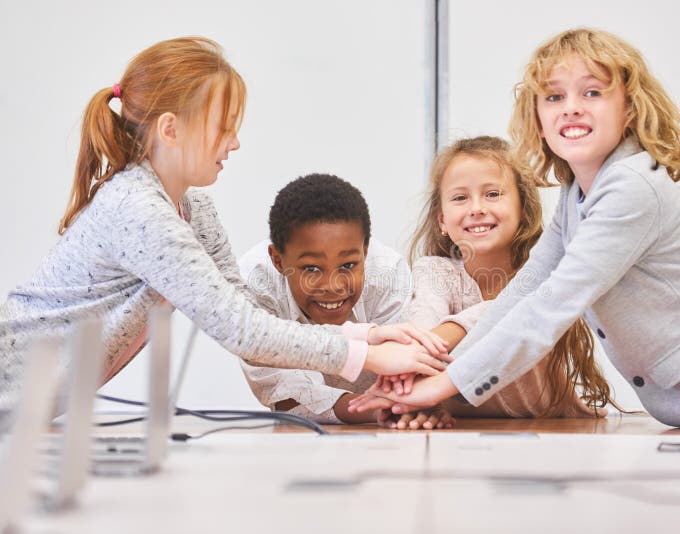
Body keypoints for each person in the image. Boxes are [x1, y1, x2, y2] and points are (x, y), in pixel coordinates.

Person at [350, 28, 680, 429]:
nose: (571, 109)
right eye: (554, 97)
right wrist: (434, 378)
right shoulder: (577, 193)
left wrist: (441, 385)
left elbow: (553, 304)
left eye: (592, 92)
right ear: (538, 119)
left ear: (630, 108)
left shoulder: (633, 187)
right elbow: (528, 287)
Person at [0, 37, 449, 414]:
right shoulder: (137, 209)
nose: (234, 143)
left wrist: (363, 333)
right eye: (223, 128)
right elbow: (243, 331)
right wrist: (369, 355)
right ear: (171, 130)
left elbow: (248, 314)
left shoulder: (193, 208)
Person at [396, 136, 612, 428]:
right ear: (442, 221)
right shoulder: (434, 271)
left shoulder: (546, 275)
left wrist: (443, 339)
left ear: (523, 208)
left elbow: (515, 313)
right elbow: (420, 338)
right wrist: (423, 401)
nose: (476, 208)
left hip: (553, 427)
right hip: (460, 429)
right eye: (460, 198)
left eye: (493, 194)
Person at [238, 173, 452, 428]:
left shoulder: (388, 275)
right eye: (311, 269)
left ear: (365, 252)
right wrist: (381, 409)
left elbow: (406, 375)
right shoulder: (255, 285)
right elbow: (287, 395)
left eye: (348, 265)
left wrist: (405, 404)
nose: (333, 286)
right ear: (278, 260)